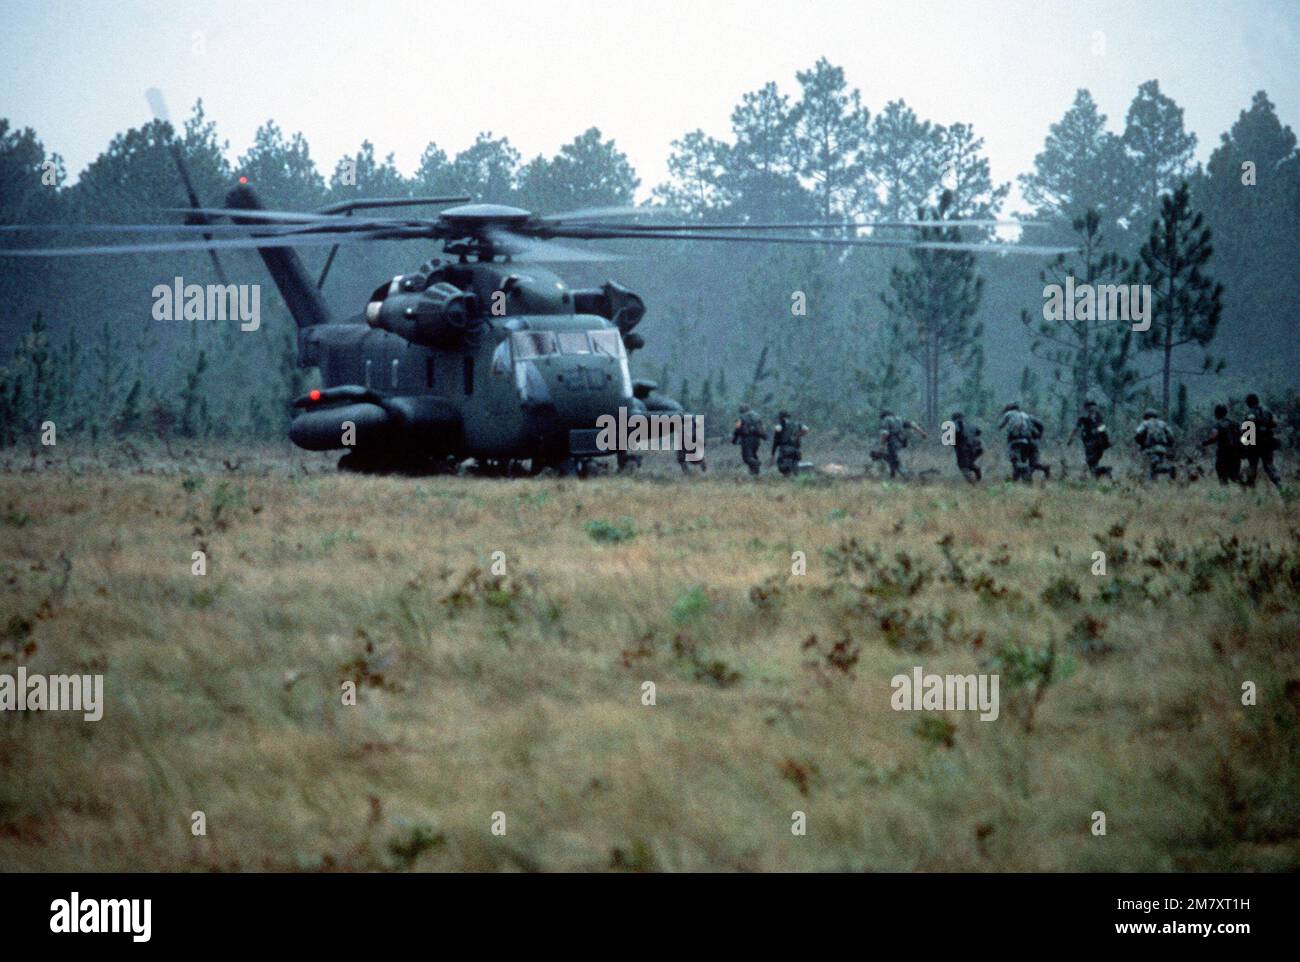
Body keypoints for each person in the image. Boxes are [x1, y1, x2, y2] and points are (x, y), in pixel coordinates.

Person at [998, 402, 1049, 482]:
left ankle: (1020, 481)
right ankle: (1023, 481)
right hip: (1030, 442)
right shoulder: (1027, 416)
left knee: (1018, 462)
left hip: (1023, 441)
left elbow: (1000, 425)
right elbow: (1041, 425)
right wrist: (1039, 437)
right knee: (1031, 464)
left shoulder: (1012, 416)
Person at [870, 409, 927, 478]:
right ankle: (893, 474)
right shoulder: (899, 419)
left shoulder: (886, 420)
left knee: (894, 460)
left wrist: (882, 446)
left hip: (892, 443)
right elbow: (912, 424)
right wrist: (922, 432)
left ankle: (908, 476)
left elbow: (884, 434)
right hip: (901, 441)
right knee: (892, 458)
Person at [1242, 393, 1281, 488]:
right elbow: (1275, 423)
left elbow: (1247, 429)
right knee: (1269, 464)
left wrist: (1245, 444)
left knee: (1252, 465)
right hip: (1267, 442)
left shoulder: (1250, 413)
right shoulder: (1267, 411)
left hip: (1254, 443)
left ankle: (1251, 486)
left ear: (1249, 403)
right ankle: (1278, 483)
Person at [1066, 400, 1113, 479]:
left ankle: (1104, 470)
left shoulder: (1084, 415)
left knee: (1090, 461)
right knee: (1093, 462)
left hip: (1090, 443)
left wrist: (1070, 439)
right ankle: (1097, 477)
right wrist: (1106, 442)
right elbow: (1103, 429)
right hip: (1099, 443)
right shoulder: (1098, 415)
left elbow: (1076, 428)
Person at [1201, 403, 1240, 485]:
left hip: (1224, 454)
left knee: (1222, 474)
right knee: (1235, 476)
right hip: (1236, 453)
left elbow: (1213, 437)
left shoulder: (1217, 425)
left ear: (1217, 413)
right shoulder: (1235, 423)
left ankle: (1225, 492)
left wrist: (1204, 443)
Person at [1134, 409, 1177, 481]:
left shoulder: (1145, 423)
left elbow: (1138, 434)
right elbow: (1171, 436)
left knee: (1151, 467)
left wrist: (1140, 443)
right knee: (1155, 466)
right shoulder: (1163, 424)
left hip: (1149, 449)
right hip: (1162, 449)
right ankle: (1154, 482)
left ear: (1146, 416)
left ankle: (1168, 469)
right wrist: (1169, 445)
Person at [731, 403, 766, 476]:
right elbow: (762, 428)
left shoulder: (741, 417)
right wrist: (764, 437)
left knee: (747, 457)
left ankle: (757, 463)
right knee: (753, 455)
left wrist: (734, 440)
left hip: (746, 439)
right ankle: (755, 474)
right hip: (757, 440)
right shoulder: (757, 416)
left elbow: (737, 429)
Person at [770, 410, 808, 476]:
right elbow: (806, 429)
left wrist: (773, 453)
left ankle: (788, 477)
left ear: (780, 417)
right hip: (796, 450)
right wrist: (799, 435)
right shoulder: (797, 424)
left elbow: (776, 440)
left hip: (785, 450)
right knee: (795, 466)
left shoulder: (781, 425)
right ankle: (796, 478)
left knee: (782, 466)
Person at [950, 411, 983, 482]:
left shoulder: (956, 423)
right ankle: (977, 472)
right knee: (969, 463)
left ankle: (973, 484)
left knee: (963, 466)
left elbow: (956, 432)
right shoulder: (970, 424)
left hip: (964, 448)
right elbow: (979, 432)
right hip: (977, 448)